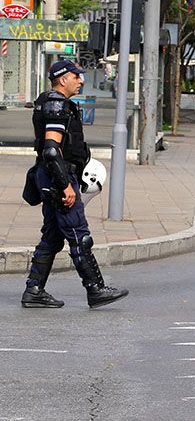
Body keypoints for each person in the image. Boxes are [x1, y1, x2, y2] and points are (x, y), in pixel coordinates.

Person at [22, 60, 127, 309]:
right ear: (62, 79)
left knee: (52, 236)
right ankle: (96, 289)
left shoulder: (51, 103)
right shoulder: (57, 105)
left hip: (50, 177)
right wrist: (65, 186)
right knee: (80, 235)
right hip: (57, 178)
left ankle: (34, 291)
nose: (81, 81)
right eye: (76, 77)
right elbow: (50, 150)